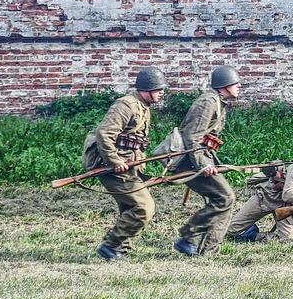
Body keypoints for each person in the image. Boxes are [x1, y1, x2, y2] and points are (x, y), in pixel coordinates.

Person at [84, 66, 166, 261]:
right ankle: (111, 245)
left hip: (130, 168)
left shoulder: (143, 107)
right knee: (143, 207)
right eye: (158, 89)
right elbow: (105, 133)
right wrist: (115, 161)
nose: (162, 93)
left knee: (130, 208)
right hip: (113, 169)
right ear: (147, 89)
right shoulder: (126, 105)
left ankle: (121, 249)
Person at [171, 65, 241, 256]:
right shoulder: (208, 102)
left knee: (224, 199)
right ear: (225, 85)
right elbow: (191, 137)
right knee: (225, 197)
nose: (239, 86)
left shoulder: (218, 102)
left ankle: (208, 249)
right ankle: (188, 236)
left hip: (201, 159)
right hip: (189, 162)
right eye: (236, 83)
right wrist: (204, 165)